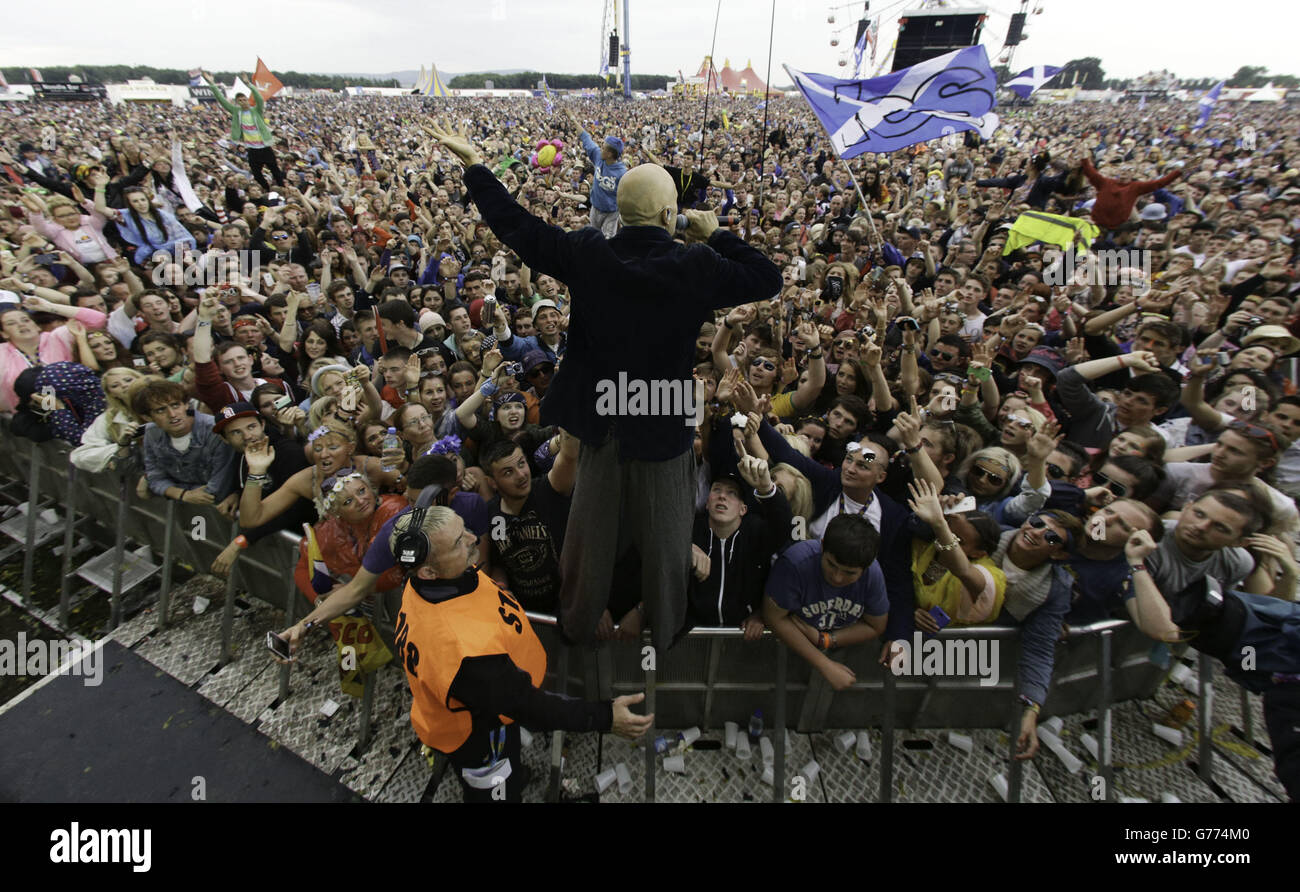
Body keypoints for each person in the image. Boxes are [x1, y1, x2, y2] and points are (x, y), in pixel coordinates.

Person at [426, 119, 781, 650]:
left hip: (601, 423)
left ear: (621, 211)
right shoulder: (696, 262)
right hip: (663, 427)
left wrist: (477, 165)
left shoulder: (590, 252)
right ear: (669, 215)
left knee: (587, 543)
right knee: (666, 547)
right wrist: (714, 233)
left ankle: (573, 628)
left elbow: (517, 227)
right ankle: (665, 638)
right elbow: (766, 276)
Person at [295, 504, 653, 802]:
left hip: (487, 709)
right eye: (458, 542)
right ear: (428, 570)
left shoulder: (428, 582)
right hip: (482, 734)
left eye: (464, 529)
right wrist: (606, 718)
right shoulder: (465, 653)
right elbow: (530, 705)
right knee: (495, 792)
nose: (472, 540)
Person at [763, 513, 889, 691]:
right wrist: (824, 664)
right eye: (831, 565)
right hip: (782, 655)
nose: (837, 578)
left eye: (849, 573)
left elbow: (876, 625)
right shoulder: (796, 563)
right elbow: (773, 618)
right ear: (822, 546)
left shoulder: (873, 574)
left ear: (866, 568)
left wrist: (826, 640)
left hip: (839, 648)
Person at [204, 72, 285, 192]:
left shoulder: (256, 110)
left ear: (248, 100)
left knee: (275, 170)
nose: (243, 102)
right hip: (252, 149)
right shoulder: (237, 112)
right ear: (237, 103)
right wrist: (212, 84)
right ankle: (267, 189)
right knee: (256, 174)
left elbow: (259, 99)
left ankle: (283, 189)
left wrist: (249, 84)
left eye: (244, 99)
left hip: (264, 146)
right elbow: (222, 101)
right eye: (240, 100)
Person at [566, 110, 627, 238]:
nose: (601, 148)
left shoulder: (622, 173)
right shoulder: (599, 156)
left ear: (610, 154)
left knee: (607, 241)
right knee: (593, 237)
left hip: (611, 213)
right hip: (595, 207)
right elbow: (585, 136)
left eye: (603, 147)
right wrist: (572, 118)